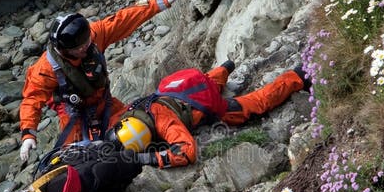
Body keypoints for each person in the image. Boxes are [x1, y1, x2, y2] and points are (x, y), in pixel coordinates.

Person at [18, 0, 188, 163]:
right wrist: (28, 134)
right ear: (63, 50)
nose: (85, 47)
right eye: (78, 47)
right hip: (74, 115)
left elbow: (123, 20)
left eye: (86, 42)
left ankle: (151, 157)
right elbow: (32, 100)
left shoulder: (93, 35)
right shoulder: (45, 68)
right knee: (76, 160)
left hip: (106, 104)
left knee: (136, 130)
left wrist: (161, 2)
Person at [105, 61, 311, 168]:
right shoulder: (130, 111)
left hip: (201, 99)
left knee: (251, 105)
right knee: (208, 84)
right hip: (179, 86)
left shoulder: (165, 122)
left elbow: (187, 151)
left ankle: (297, 76)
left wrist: (147, 158)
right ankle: (225, 68)